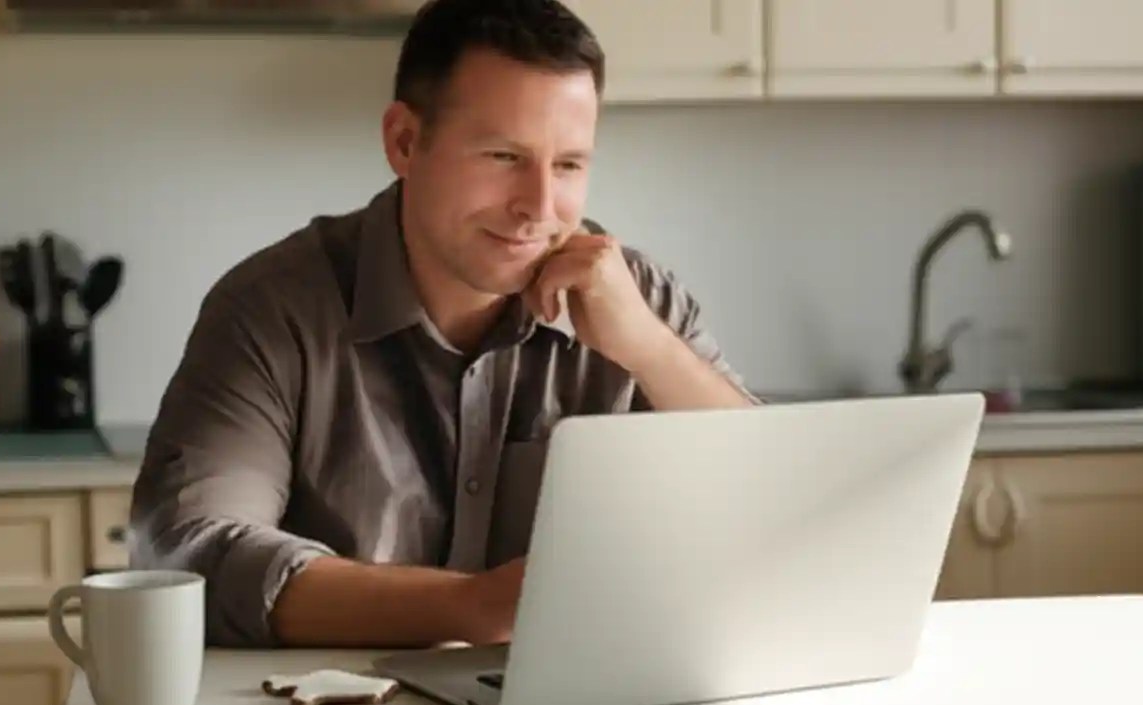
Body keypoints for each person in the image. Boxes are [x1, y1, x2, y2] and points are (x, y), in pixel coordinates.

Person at [130, 0, 756, 650]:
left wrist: (651, 350)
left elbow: (776, 508)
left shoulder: (640, 298)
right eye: (503, 156)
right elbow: (188, 556)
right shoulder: (271, 310)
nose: (538, 208)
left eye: (568, 165)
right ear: (404, 142)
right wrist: (475, 606)